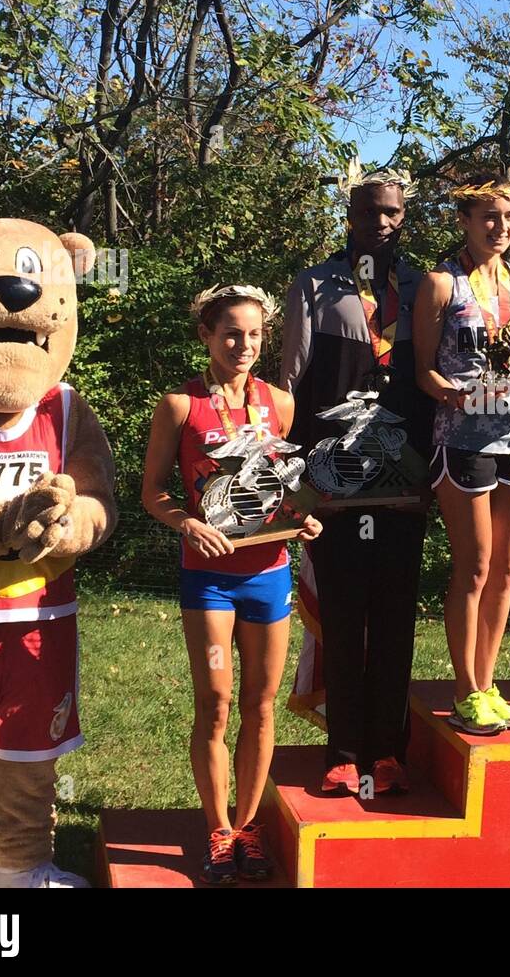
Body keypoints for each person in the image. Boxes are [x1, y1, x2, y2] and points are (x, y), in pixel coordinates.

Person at [142, 284, 322, 884]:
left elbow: (283, 485)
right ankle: (218, 830)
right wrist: (186, 521)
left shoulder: (281, 402)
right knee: (216, 704)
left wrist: (304, 513)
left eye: (254, 334)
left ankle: (248, 826)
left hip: (268, 574)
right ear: (207, 336)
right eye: (230, 334)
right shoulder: (178, 405)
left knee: (262, 705)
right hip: (210, 581)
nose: (243, 345)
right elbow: (153, 493)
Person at [279, 161, 433, 795]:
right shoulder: (314, 285)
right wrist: (294, 482)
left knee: (395, 620)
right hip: (335, 487)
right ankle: (342, 751)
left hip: (406, 486)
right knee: (344, 619)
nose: (382, 221)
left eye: (392, 211)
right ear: (349, 213)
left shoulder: (425, 288)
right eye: (370, 210)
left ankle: (389, 752)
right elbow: (289, 385)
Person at [413, 173, 510, 735]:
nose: (501, 227)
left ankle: (489, 684)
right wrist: (454, 392)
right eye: (489, 217)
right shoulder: (441, 284)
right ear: (465, 221)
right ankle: (465, 689)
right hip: (463, 441)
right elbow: (423, 370)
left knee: (507, 569)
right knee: (473, 567)